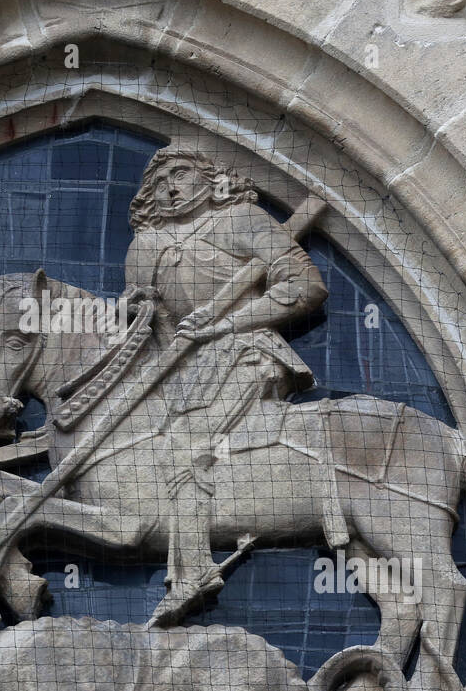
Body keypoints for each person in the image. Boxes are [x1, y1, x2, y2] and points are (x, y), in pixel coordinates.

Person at [121, 147, 329, 625]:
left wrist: (227, 323)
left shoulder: (241, 220)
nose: (170, 186)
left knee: (188, 442)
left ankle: (193, 571)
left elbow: (305, 284)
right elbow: (140, 328)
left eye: (182, 173)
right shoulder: (145, 247)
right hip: (174, 372)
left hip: (245, 352)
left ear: (210, 179)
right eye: (159, 183)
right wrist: (135, 313)